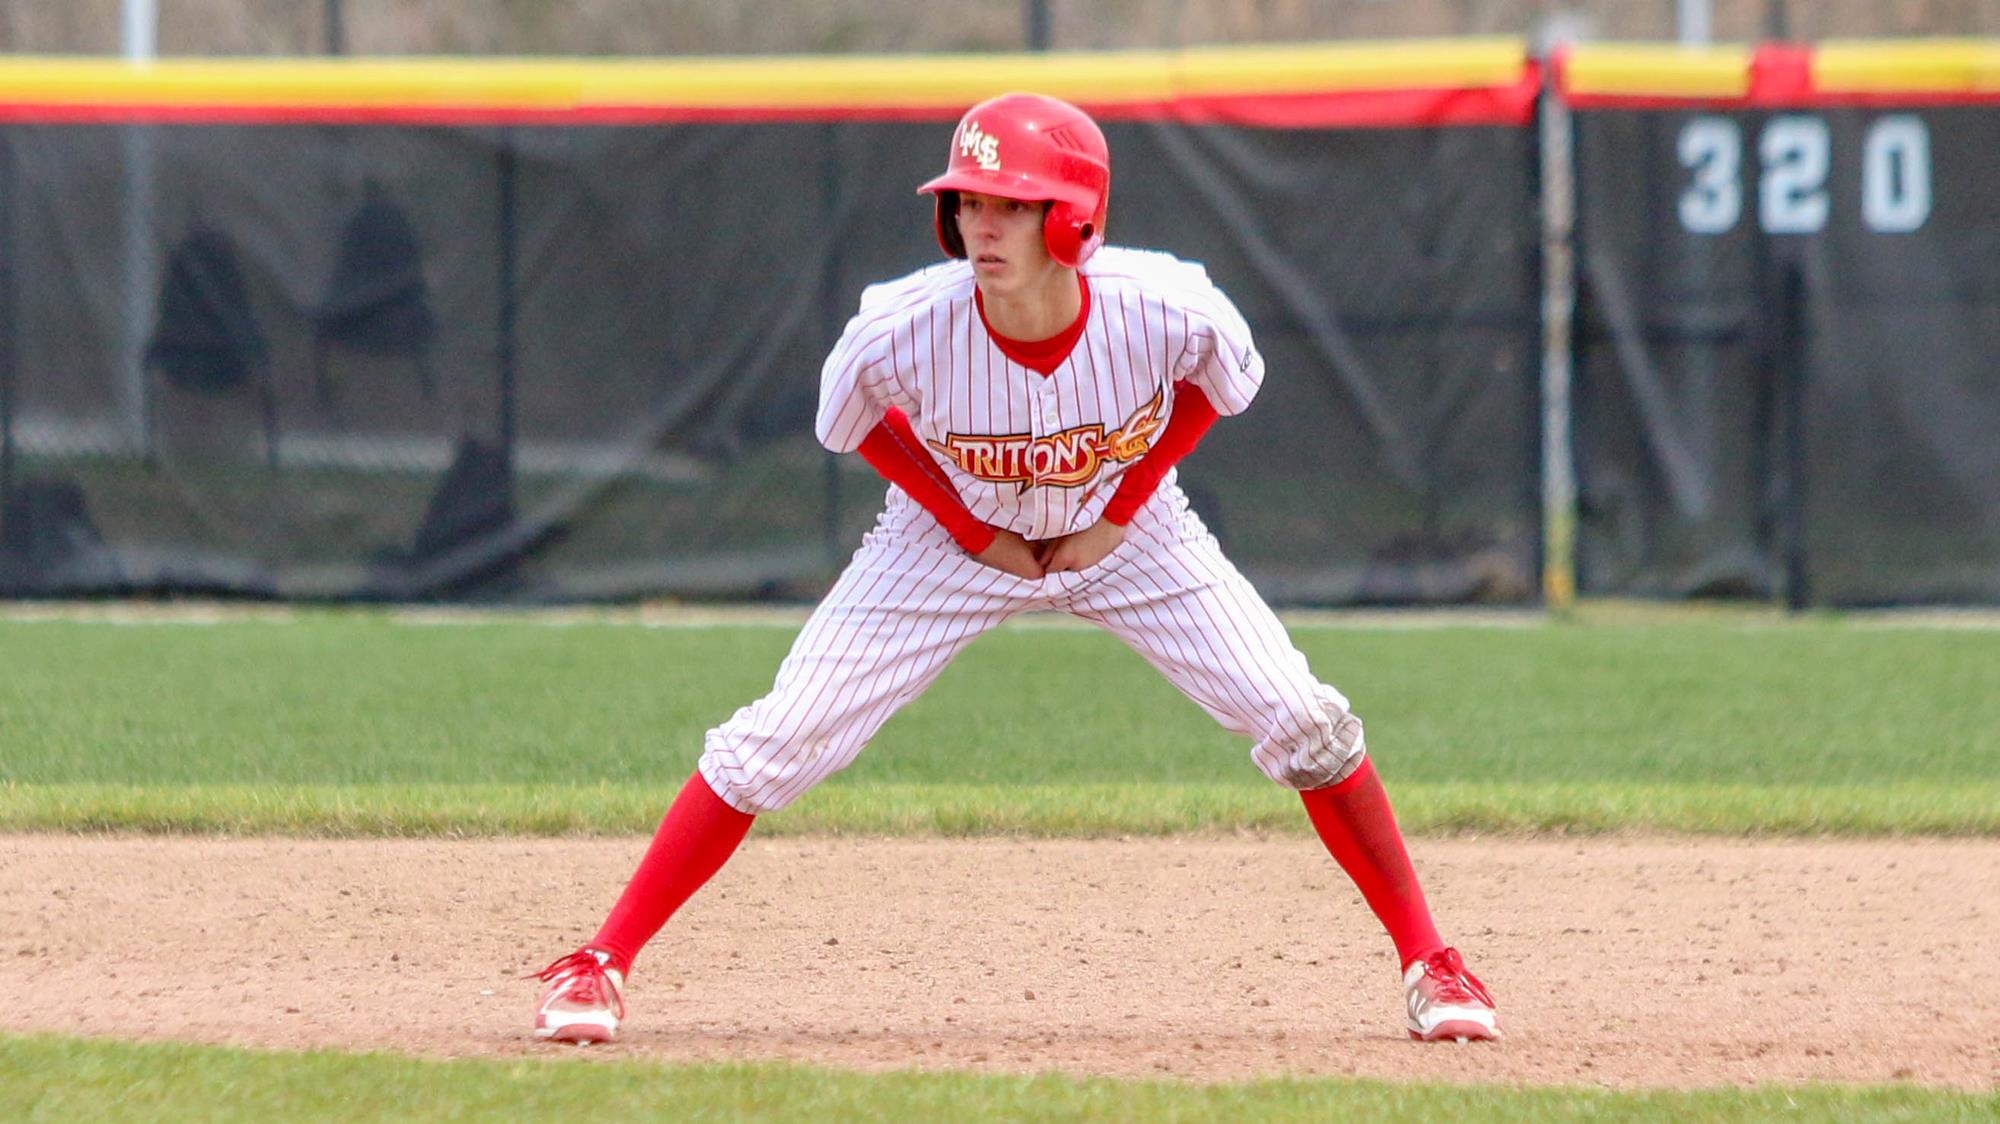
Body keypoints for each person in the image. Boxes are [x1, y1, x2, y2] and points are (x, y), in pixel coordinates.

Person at [533, 92, 1499, 1046]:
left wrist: (1119, 512)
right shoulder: (903, 325)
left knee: (1306, 720)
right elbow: (855, 424)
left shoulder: (1162, 306)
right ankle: (600, 962)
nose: (979, 224)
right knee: (776, 738)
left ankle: (1431, 961)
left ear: (1072, 217)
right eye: (968, 201)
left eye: (1011, 204)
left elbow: (1221, 388)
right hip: (944, 539)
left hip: (1133, 530)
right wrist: (963, 522)